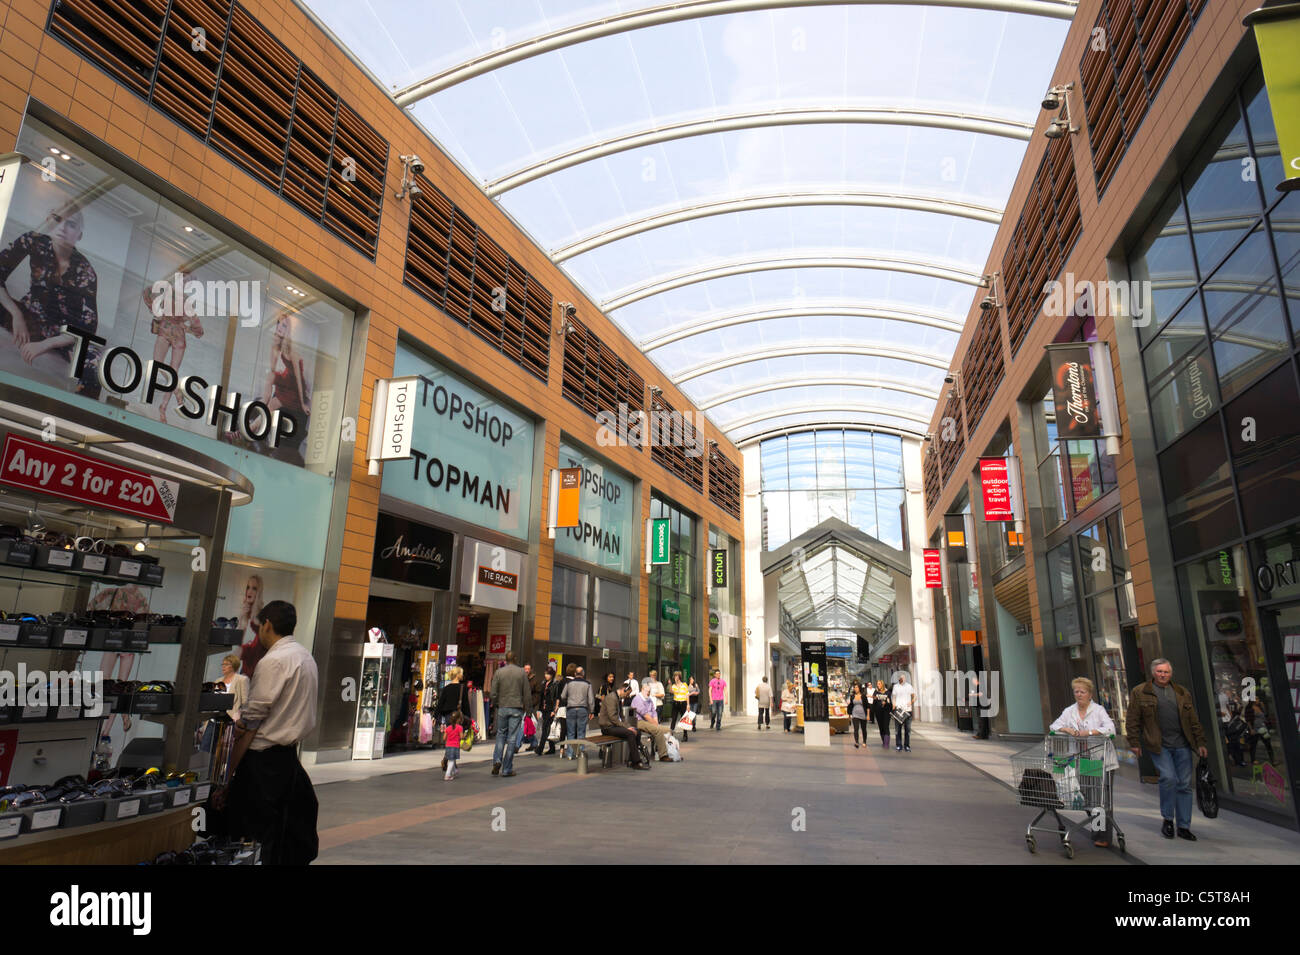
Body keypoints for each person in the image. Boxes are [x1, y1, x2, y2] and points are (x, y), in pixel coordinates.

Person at [226, 601, 319, 864]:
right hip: (288, 760)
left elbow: (254, 717)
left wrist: (230, 768)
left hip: (263, 763)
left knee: (255, 836)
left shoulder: (275, 660)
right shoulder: (305, 656)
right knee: (284, 836)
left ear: (267, 625)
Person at [0, 203, 101, 389]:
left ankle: (74, 412)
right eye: (57, 219)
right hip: (30, 317)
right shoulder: (33, 241)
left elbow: (88, 328)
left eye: (71, 224)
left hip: (61, 333)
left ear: (79, 235)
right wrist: (16, 314)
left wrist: (45, 344)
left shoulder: (85, 271)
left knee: (94, 363)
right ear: (48, 222)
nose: (62, 228)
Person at [1125, 659, 1209, 842]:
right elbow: (1132, 719)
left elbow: (1193, 720)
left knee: (1185, 785)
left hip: (1183, 745)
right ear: (1153, 673)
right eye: (1160, 671)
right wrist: (1134, 742)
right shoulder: (1140, 692)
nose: (1163, 675)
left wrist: (1200, 742)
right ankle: (1168, 820)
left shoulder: (1181, 692)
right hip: (1158, 745)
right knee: (1168, 778)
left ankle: (1184, 826)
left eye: (1166, 672)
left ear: (1171, 674)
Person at [1050, 676, 1118, 847]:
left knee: (1101, 798)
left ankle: (1103, 836)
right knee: (1088, 796)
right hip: (1082, 760)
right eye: (1076, 691)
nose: (1079, 694)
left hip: (1099, 759)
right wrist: (1066, 729)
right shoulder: (1069, 711)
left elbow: (1110, 728)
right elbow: (1054, 726)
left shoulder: (1098, 710)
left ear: (1090, 694)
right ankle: (1098, 830)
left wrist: (1089, 733)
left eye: (1083, 692)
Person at [140, 268, 204, 422]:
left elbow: (147, 293)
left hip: (166, 328)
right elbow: (198, 328)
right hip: (176, 333)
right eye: (187, 280)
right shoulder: (185, 300)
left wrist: (156, 312)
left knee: (160, 366)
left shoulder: (166, 291)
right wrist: (186, 327)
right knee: (168, 369)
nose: (187, 284)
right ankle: (170, 400)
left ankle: (166, 403)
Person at [259, 312, 312, 465]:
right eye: (279, 324)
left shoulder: (292, 351)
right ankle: (261, 406)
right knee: (270, 379)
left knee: (272, 405)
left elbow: (299, 381)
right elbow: (272, 369)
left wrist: (302, 403)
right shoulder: (277, 345)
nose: (280, 328)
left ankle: (251, 429)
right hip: (286, 383)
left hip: (294, 390)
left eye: (284, 325)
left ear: (288, 329)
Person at [489, 651, 531, 777]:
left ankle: (497, 760)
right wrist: (528, 710)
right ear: (516, 659)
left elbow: (493, 692)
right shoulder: (521, 673)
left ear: (506, 660)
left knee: (501, 734)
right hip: (516, 707)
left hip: (503, 706)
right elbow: (527, 693)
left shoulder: (499, 672)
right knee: (512, 738)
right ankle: (507, 768)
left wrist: (496, 703)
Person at [598, 680, 648, 770]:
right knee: (630, 733)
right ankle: (636, 762)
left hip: (613, 726)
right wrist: (627, 728)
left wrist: (629, 726)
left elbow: (622, 716)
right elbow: (613, 718)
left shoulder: (618, 698)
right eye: (627, 693)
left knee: (637, 731)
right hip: (607, 727)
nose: (628, 696)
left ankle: (631, 760)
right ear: (623, 690)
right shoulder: (611, 698)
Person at [560, 665, 596, 757]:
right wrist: (592, 711)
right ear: (583, 674)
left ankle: (570, 754)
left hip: (571, 708)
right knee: (581, 732)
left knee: (570, 732)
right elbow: (591, 699)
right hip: (582, 709)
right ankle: (580, 754)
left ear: (575, 674)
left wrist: (569, 699)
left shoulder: (569, 683)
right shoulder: (588, 684)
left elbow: (563, 696)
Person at [235, 575, 266, 678]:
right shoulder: (245, 613)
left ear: (259, 592)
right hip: (244, 667)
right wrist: (242, 617)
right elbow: (238, 642)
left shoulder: (262, 615)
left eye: (254, 588)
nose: (249, 591)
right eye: (248, 587)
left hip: (257, 670)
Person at [632, 683, 671, 761]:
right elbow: (645, 715)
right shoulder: (637, 699)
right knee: (658, 730)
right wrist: (656, 725)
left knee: (668, 730)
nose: (648, 693)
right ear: (642, 690)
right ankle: (663, 755)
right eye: (647, 691)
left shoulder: (649, 699)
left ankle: (670, 752)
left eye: (649, 691)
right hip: (639, 721)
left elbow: (654, 712)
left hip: (650, 721)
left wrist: (656, 722)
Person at [535, 666, 560, 755]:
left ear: (552, 675)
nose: (546, 675)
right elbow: (541, 697)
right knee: (547, 728)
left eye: (548, 674)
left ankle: (540, 749)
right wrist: (539, 710)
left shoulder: (555, 684)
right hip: (544, 709)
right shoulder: (543, 683)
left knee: (545, 728)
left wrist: (554, 710)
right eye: (545, 673)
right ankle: (552, 748)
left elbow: (557, 698)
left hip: (550, 709)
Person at [219, 653, 250, 722]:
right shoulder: (218, 681)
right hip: (215, 718)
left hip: (231, 718)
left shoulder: (242, 679)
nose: (223, 667)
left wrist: (238, 716)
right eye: (222, 664)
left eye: (226, 664)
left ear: (234, 666)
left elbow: (245, 702)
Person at [1244, 701, 1275, 765]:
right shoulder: (1249, 708)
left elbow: (1265, 715)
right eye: (1255, 698)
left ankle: (1272, 760)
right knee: (1253, 745)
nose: (1257, 700)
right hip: (1255, 729)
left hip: (1263, 728)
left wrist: (1263, 706)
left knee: (1268, 744)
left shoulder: (1260, 706)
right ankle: (1253, 760)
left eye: (1257, 698)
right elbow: (1248, 720)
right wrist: (1251, 729)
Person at [891, 673, 915, 752]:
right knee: (898, 730)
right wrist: (894, 705)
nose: (902, 679)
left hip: (908, 711)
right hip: (899, 710)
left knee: (907, 730)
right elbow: (893, 697)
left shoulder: (909, 686)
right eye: (901, 678)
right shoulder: (895, 687)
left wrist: (911, 702)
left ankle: (907, 746)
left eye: (903, 678)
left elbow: (915, 696)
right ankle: (898, 745)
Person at [442, 711, 465, 780]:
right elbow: (461, 737)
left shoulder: (448, 728)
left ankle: (455, 771)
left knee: (452, 759)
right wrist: (464, 735)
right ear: (458, 719)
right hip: (455, 746)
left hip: (448, 746)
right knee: (451, 761)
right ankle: (447, 775)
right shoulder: (459, 727)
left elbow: (444, 738)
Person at [669, 671, 691, 740]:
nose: (676, 677)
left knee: (684, 719)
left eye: (677, 676)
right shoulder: (673, 685)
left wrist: (688, 705)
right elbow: (671, 691)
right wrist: (670, 684)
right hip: (676, 703)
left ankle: (685, 735)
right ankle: (671, 735)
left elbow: (687, 694)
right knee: (674, 719)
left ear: (679, 677)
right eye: (675, 676)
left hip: (683, 703)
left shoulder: (684, 685)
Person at [848, 681, 870, 748]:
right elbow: (850, 706)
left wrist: (868, 715)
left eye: (857, 687)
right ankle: (856, 742)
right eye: (854, 687)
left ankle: (864, 742)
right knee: (856, 729)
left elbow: (868, 706)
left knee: (864, 729)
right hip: (855, 714)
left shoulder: (863, 696)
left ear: (859, 688)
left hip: (863, 714)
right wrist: (849, 715)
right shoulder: (852, 696)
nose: (855, 688)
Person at [872, 679, 892, 747]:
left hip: (886, 712)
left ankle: (886, 743)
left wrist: (885, 702)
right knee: (881, 727)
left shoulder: (887, 692)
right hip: (878, 712)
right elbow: (874, 702)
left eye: (879, 684)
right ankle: (884, 741)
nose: (878, 685)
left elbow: (890, 702)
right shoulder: (876, 692)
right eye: (877, 684)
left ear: (882, 684)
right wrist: (874, 699)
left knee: (886, 726)